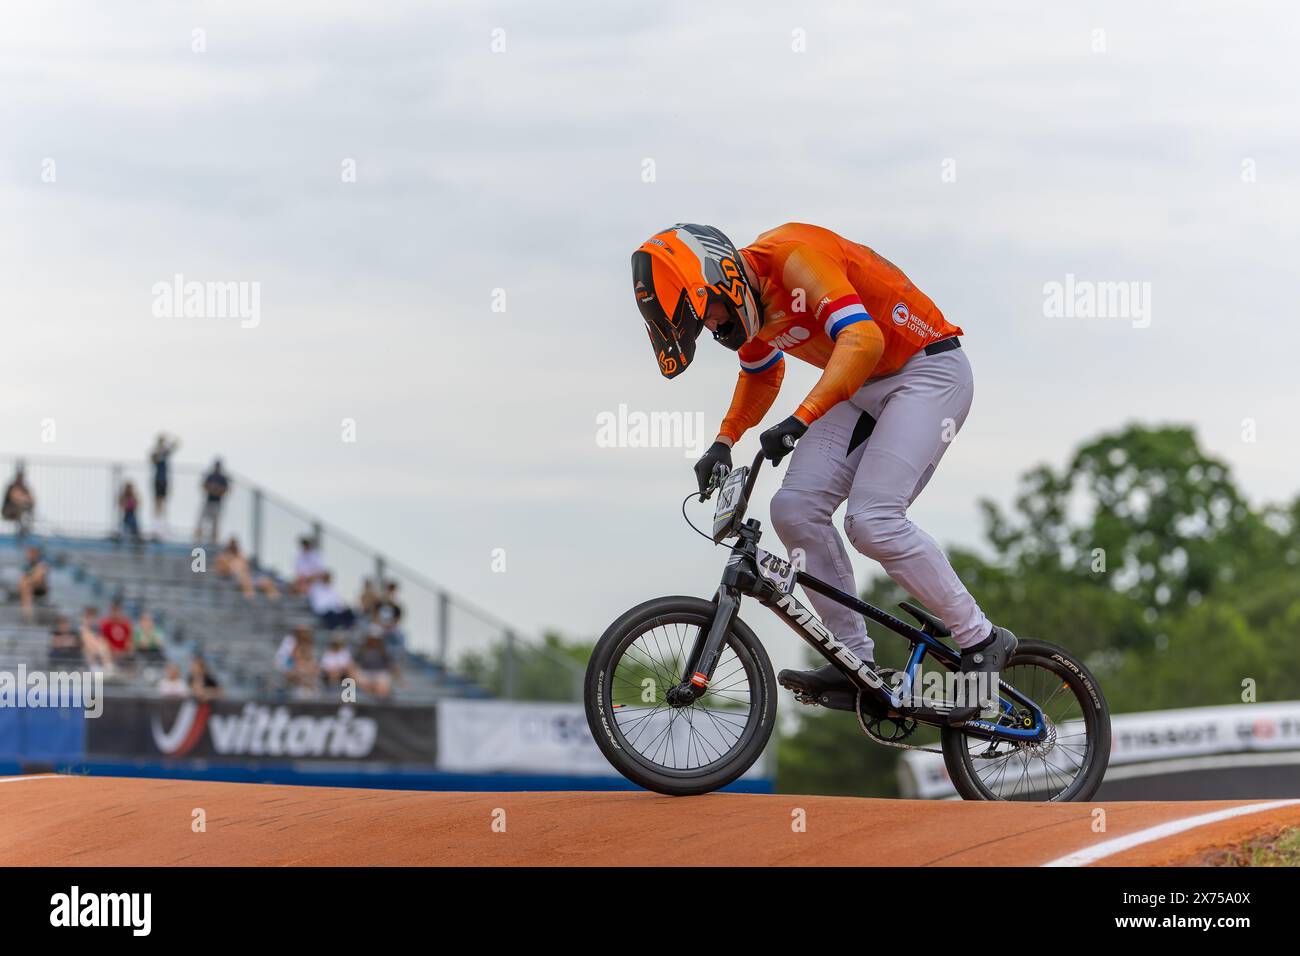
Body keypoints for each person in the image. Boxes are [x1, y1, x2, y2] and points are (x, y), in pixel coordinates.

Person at [631, 222, 1017, 699]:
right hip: (860, 386)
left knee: (872, 521)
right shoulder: (747, 305)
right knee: (792, 509)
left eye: (704, 314)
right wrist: (724, 441)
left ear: (722, 278)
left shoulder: (796, 257)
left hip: (926, 371)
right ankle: (852, 660)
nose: (712, 328)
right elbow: (762, 372)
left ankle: (980, 636)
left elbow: (864, 340)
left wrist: (800, 419)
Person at [214, 537, 280, 600]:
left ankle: (275, 603)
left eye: (235, 544)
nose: (233, 546)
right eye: (232, 544)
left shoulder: (241, 556)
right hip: (233, 578)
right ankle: (250, 602)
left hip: (247, 576)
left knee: (266, 581)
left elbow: (247, 569)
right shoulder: (223, 557)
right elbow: (221, 571)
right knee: (245, 582)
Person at [149, 433, 180, 535]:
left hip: (164, 480)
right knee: (157, 503)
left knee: (164, 503)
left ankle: (163, 527)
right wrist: (160, 451)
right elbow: (153, 459)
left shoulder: (165, 451)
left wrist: (169, 441)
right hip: (158, 479)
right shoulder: (155, 452)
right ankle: (155, 527)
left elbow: (176, 444)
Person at [194, 458, 230, 543]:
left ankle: (214, 540)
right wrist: (211, 488)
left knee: (216, 523)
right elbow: (204, 486)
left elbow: (226, 490)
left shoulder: (222, 478)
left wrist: (217, 490)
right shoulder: (210, 476)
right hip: (208, 502)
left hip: (217, 503)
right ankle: (198, 538)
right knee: (201, 520)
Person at [17, 544, 49, 623]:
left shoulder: (42, 564)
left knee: (26, 583)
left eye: (31, 554)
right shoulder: (26, 566)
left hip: (40, 588)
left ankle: (27, 616)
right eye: (28, 554)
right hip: (30, 588)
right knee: (26, 587)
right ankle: (28, 616)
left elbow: (39, 578)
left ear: (36, 555)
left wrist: (27, 581)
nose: (29, 556)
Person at [78, 606, 115, 672]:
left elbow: (101, 640)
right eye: (88, 617)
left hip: (97, 650)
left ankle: (108, 666)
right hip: (86, 651)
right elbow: (85, 642)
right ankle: (94, 667)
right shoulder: (82, 629)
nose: (91, 620)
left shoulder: (96, 628)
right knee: (88, 650)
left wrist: (99, 646)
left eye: (93, 617)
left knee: (104, 644)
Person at [2, 465, 35, 537]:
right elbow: (15, 497)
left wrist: (24, 499)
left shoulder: (25, 487)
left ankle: (25, 529)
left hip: (20, 513)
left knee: (26, 509)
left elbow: (32, 500)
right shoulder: (11, 486)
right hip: (9, 512)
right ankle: (22, 531)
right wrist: (24, 499)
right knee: (21, 509)